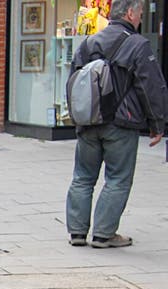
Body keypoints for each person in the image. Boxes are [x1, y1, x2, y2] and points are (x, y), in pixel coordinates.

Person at [65, 0, 168, 248]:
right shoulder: (138, 44)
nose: (141, 19)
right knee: (118, 179)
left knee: (82, 176)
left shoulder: (88, 43)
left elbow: (73, 82)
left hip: (88, 122)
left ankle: (77, 232)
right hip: (121, 123)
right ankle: (104, 234)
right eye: (140, 13)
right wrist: (157, 124)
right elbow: (150, 86)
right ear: (130, 13)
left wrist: (78, 117)